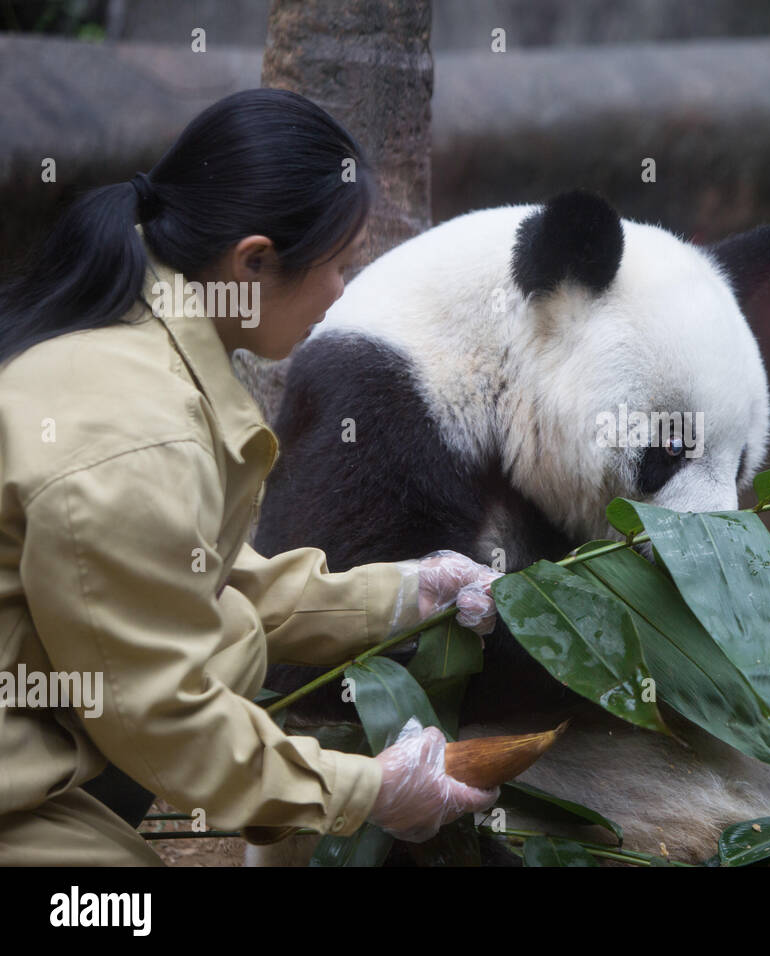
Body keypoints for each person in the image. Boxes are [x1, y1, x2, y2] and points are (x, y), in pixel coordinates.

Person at [0, 88, 501, 865]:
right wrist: (365, 791)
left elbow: (198, 582)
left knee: (227, 630)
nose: (342, 294)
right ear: (255, 261)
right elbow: (163, 711)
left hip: (41, 734)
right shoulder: (136, 436)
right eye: (337, 266)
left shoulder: (127, 332)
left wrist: (402, 595)